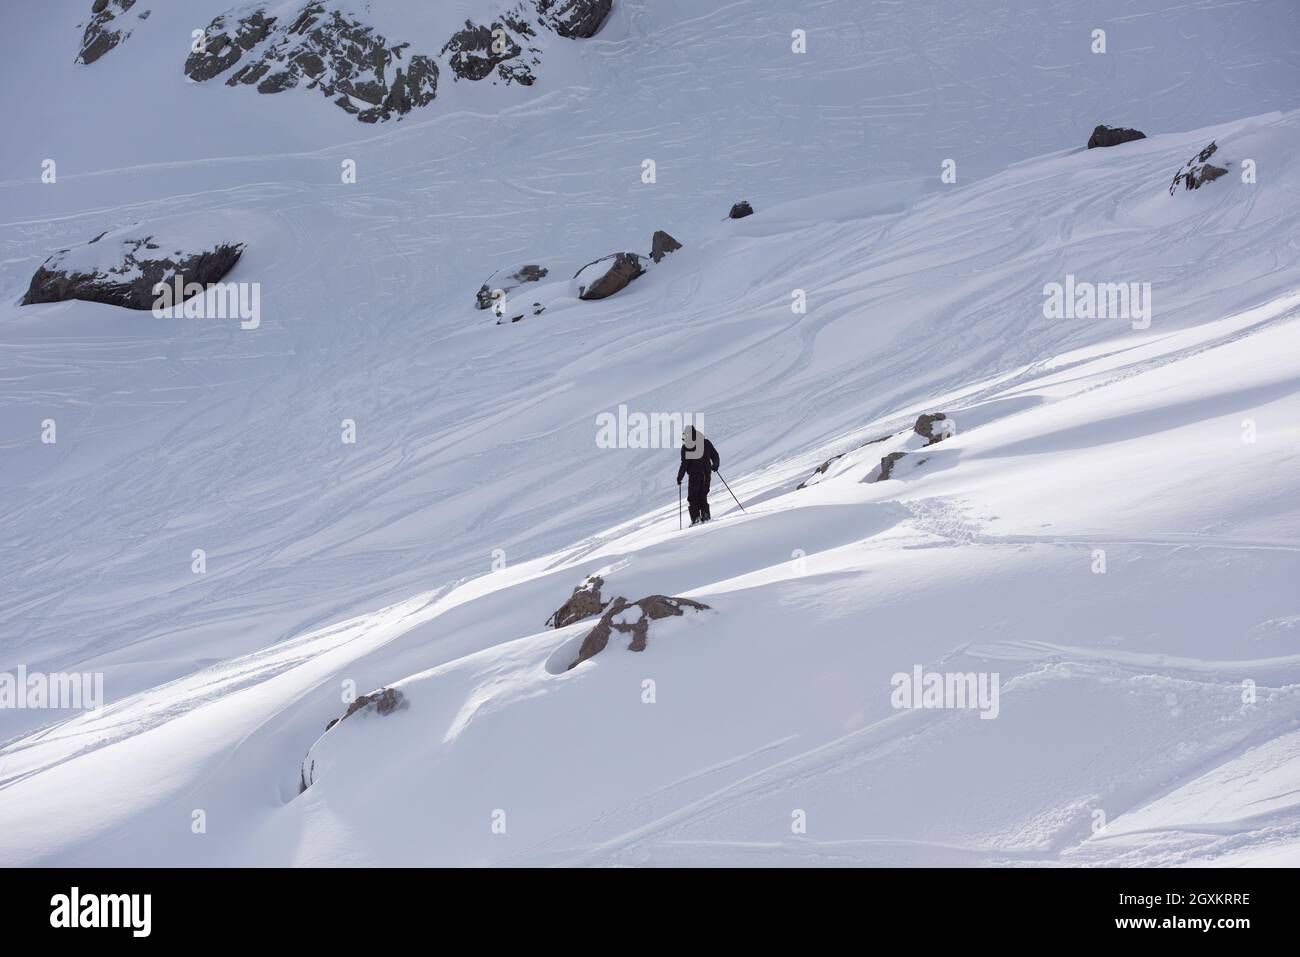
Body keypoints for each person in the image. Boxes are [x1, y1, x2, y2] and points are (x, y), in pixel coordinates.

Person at [676, 425, 720, 525]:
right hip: (706, 475)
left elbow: (684, 463)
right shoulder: (706, 443)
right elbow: (715, 455)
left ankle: (696, 520)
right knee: (703, 495)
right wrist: (715, 465)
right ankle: (706, 517)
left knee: (693, 497)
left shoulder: (686, 447)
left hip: (694, 476)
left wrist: (680, 477)